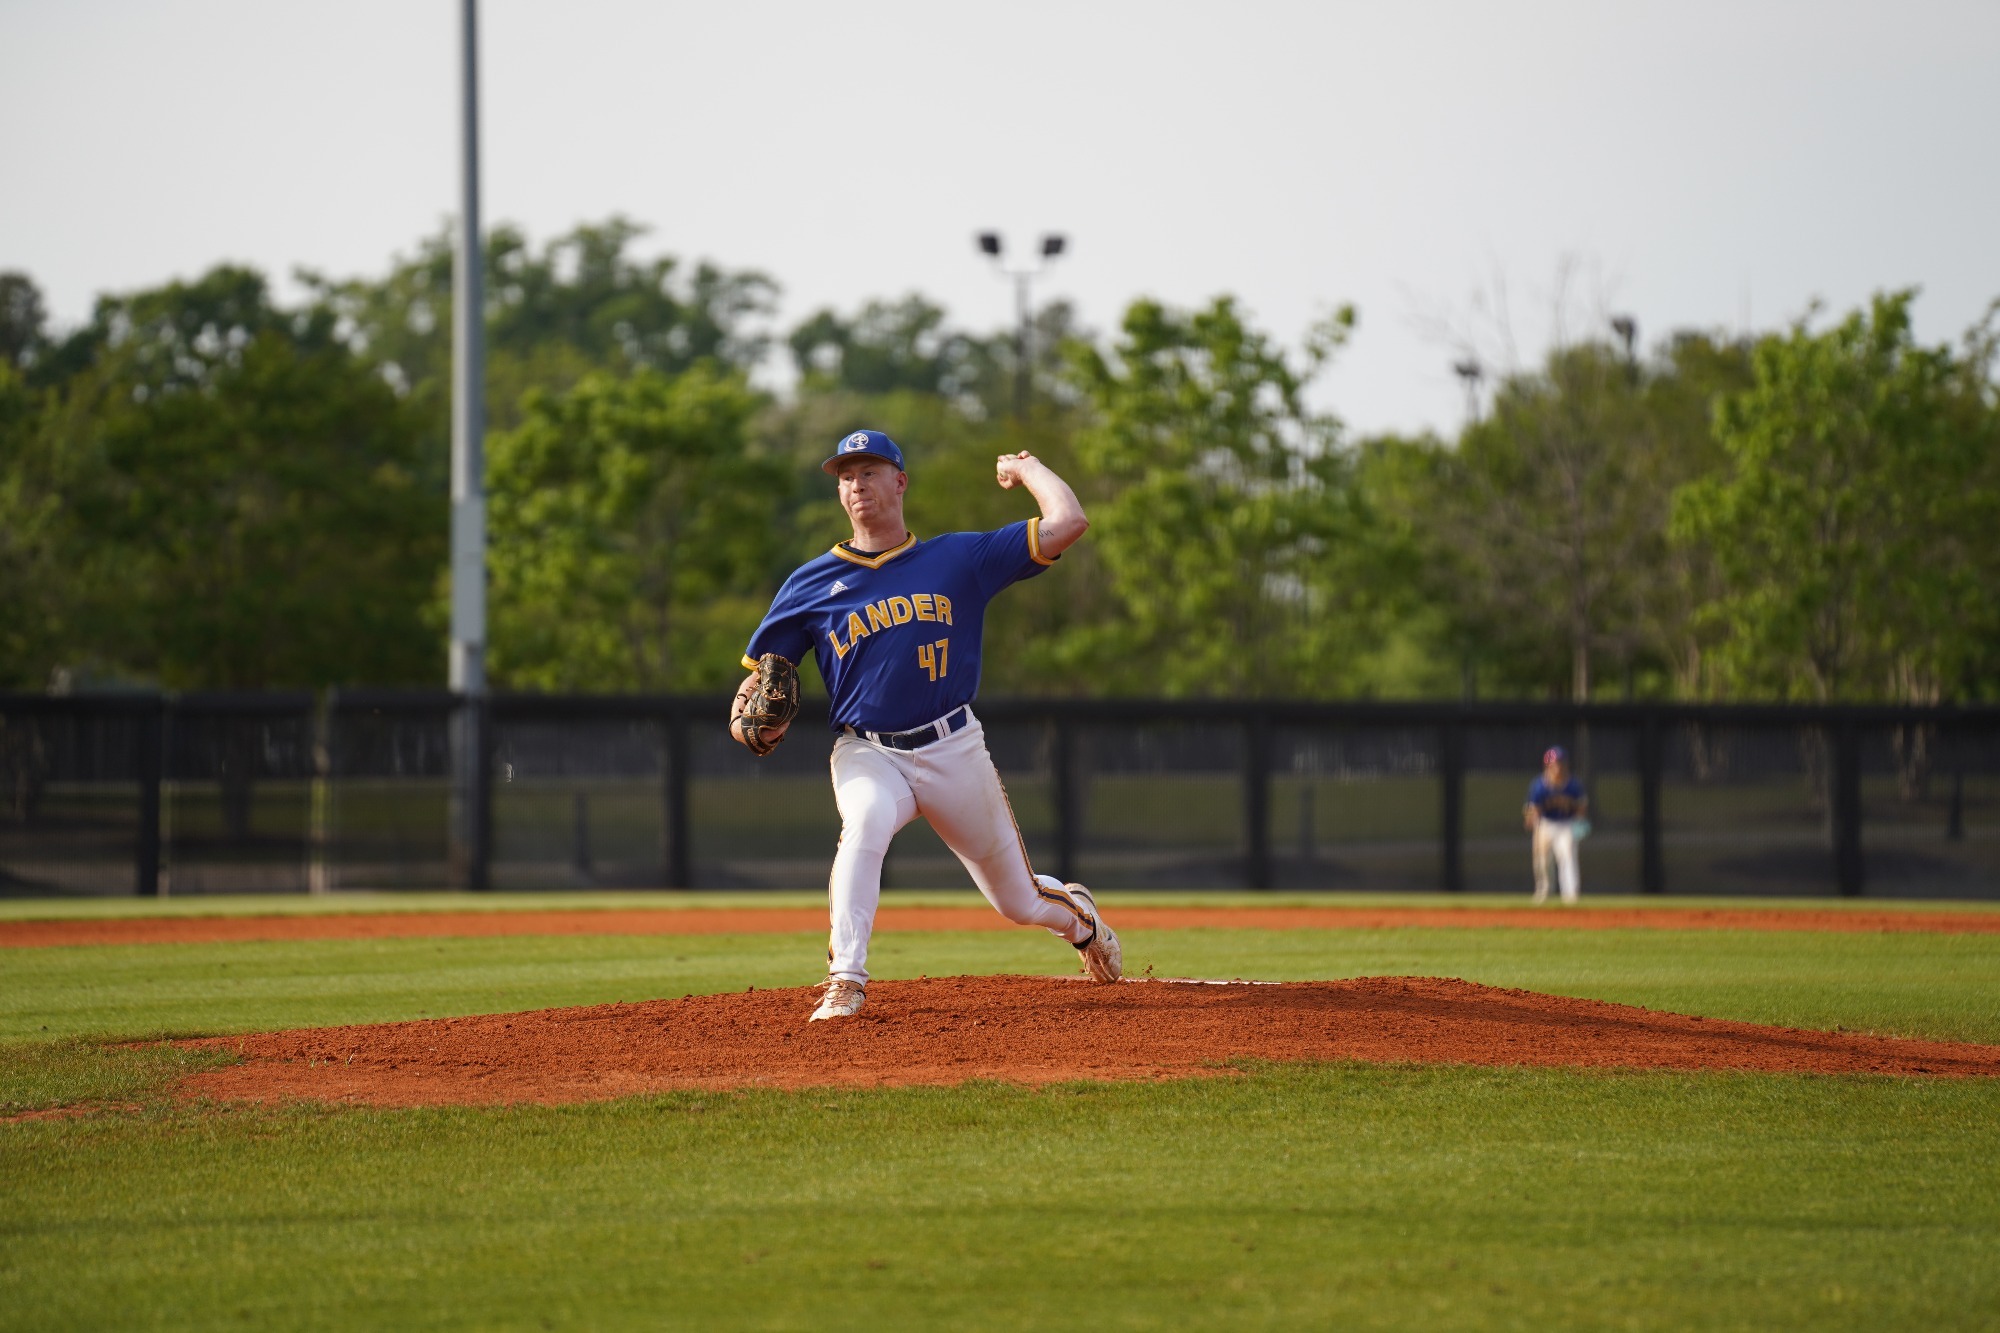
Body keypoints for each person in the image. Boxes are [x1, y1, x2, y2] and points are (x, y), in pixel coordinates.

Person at [730, 429, 1121, 1021]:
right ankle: (845, 980)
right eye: (846, 475)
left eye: (869, 471)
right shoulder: (809, 583)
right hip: (867, 751)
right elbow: (762, 679)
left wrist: (1028, 467)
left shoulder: (957, 559)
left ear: (900, 481)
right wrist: (751, 725)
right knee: (862, 825)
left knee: (1017, 902)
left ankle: (1082, 922)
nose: (857, 484)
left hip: (953, 747)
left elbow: (1068, 521)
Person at [1523, 746, 1588, 904]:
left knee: (1568, 856)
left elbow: (1581, 808)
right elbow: (1532, 809)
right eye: (1554, 763)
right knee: (1542, 860)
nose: (1558, 767)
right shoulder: (1539, 785)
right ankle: (1543, 891)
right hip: (1546, 824)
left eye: (1561, 763)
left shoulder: (1573, 785)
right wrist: (1531, 819)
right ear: (1548, 766)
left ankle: (1571, 894)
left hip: (1566, 824)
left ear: (1565, 765)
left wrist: (1579, 825)